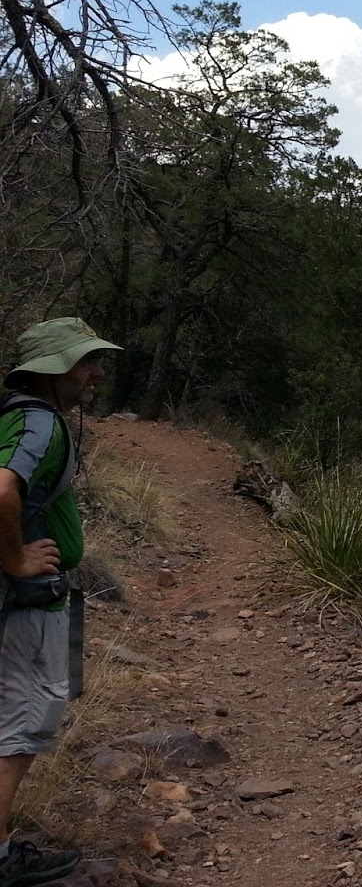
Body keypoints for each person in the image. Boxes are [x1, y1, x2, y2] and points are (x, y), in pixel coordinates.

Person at [0, 318, 120, 887]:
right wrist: (17, 558)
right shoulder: (40, 425)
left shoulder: (15, 416)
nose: (96, 372)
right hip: (21, 605)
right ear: (51, 370)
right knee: (20, 728)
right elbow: (2, 488)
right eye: (85, 362)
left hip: (19, 604)